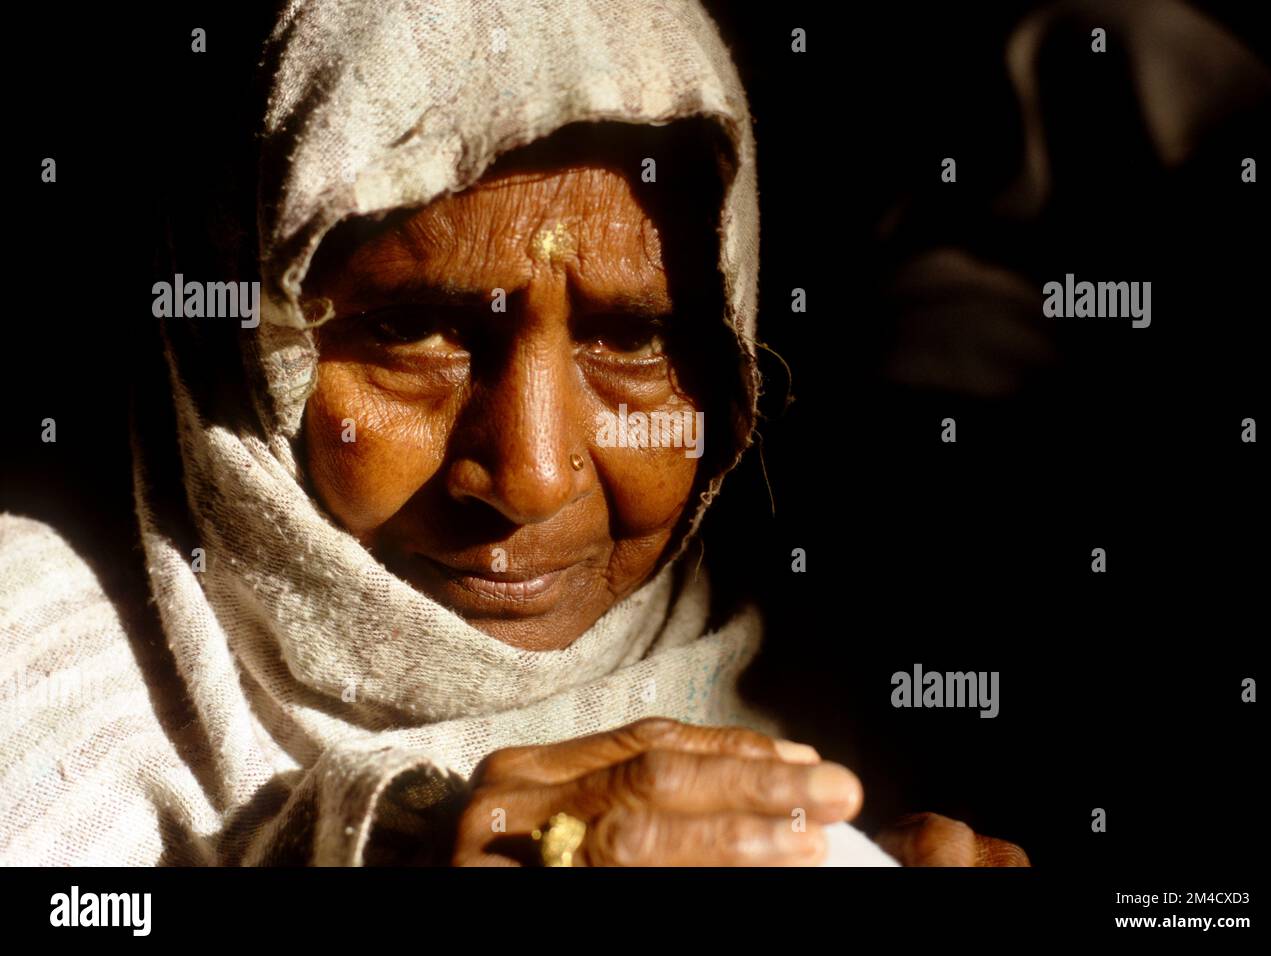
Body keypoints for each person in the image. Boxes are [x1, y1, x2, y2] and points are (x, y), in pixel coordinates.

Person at [0, 0, 1025, 867]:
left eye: (633, 337)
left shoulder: (850, 709)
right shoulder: (25, 680)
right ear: (240, 342)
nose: (531, 477)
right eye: (411, 329)